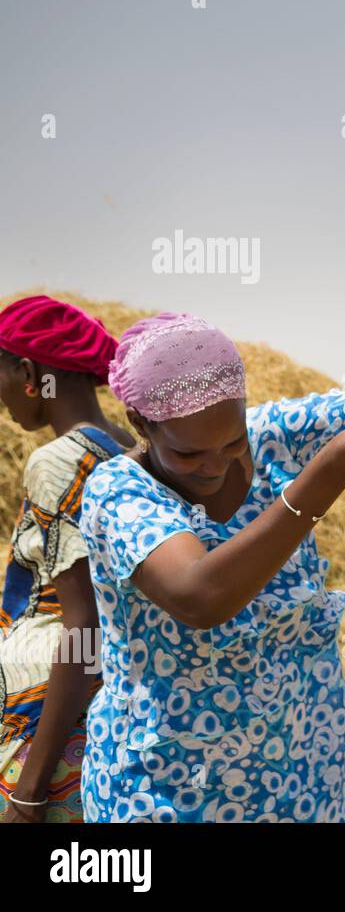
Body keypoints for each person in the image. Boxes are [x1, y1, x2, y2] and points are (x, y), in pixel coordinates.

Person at [78, 312, 345, 822]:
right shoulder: (118, 492)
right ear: (140, 424)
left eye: (231, 442)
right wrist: (331, 470)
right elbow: (201, 596)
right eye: (189, 452)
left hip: (314, 763)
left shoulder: (271, 436)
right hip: (181, 788)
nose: (215, 465)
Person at [0, 296, 131, 822]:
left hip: (44, 727)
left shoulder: (56, 462)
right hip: (93, 716)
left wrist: (29, 792)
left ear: (29, 374)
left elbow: (84, 624)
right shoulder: (127, 448)